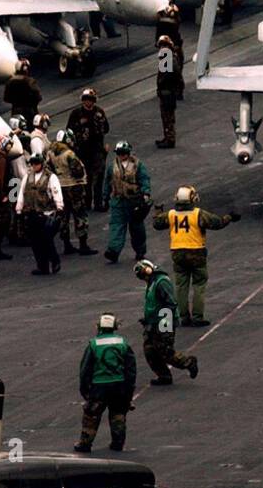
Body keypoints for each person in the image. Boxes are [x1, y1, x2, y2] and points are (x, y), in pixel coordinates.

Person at [154, 185, 239, 327]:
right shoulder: (198, 214)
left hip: (177, 253)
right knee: (199, 284)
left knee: (181, 286)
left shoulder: (171, 214)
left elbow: (157, 223)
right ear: (192, 199)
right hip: (196, 252)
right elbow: (217, 223)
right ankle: (198, 316)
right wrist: (229, 217)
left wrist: (157, 211)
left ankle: (184, 316)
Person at [74, 314, 136, 453]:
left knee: (91, 415)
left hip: (99, 386)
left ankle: (85, 443)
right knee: (118, 414)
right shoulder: (123, 343)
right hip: (119, 385)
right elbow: (130, 370)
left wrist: (85, 390)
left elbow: (85, 369)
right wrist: (129, 392)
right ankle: (118, 442)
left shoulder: (93, 344)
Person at [135, 258, 198, 386]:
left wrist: (163, 325)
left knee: (165, 350)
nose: (143, 279)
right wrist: (148, 319)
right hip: (153, 322)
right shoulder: (152, 282)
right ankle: (164, 375)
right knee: (150, 350)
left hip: (164, 321)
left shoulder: (161, 282)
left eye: (143, 276)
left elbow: (170, 304)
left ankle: (188, 362)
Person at [48, 130, 96, 257]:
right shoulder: (69, 154)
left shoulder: (51, 153)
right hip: (74, 187)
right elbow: (78, 171)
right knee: (80, 215)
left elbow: (48, 168)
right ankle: (83, 245)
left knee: (63, 217)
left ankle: (66, 244)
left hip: (60, 187)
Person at [16, 152, 64, 275]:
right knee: (35, 242)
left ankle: (55, 261)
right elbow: (22, 192)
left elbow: (56, 192)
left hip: (46, 213)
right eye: (32, 163)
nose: (34, 166)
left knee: (46, 240)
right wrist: (19, 208)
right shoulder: (28, 176)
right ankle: (42, 266)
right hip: (31, 213)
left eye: (36, 163)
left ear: (42, 163)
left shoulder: (50, 177)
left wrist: (59, 207)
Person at [103, 141, 151, 263]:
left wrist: (146, 193)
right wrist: (105, 196)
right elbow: (108, 181)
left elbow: (144, 179)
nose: (121, 156)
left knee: (137, 228)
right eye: (119, 153)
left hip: (134, 201)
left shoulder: (137, 165)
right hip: (118, 201)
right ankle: (113, 251)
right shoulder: (112, 166)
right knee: (116, 226)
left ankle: (140, 251)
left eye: (123, 153)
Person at [68, 89, 110, 212]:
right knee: (86, 178)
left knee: (99, 177)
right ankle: (86, 202)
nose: (88, 102)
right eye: (86, 99)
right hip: (82, 151)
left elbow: (106, 128)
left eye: (91, 100)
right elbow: (69, 130)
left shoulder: (99, 112)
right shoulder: (76, 113)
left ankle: (98, 203)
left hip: (97, 150)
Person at [155, 34, 182, 149]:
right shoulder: (170, 56)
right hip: (168, 91)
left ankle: (169, 139)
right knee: (167, 116)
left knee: (167, 116)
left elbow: (169, 75)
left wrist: (163, 86)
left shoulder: (167, 57)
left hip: (167, 92)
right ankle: (168, 137)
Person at [3, 58, 41, 124]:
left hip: (15, 112)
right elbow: (38, 97)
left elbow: (6, 98)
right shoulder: (30, 81)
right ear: (26, 69)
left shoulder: (10, 82)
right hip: (30, 112)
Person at [155, 0, 183, 67]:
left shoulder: (161, 23)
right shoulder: (174, 22)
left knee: (165, 69)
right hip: (174, 45)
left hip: (168, 45)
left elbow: (158, 35)